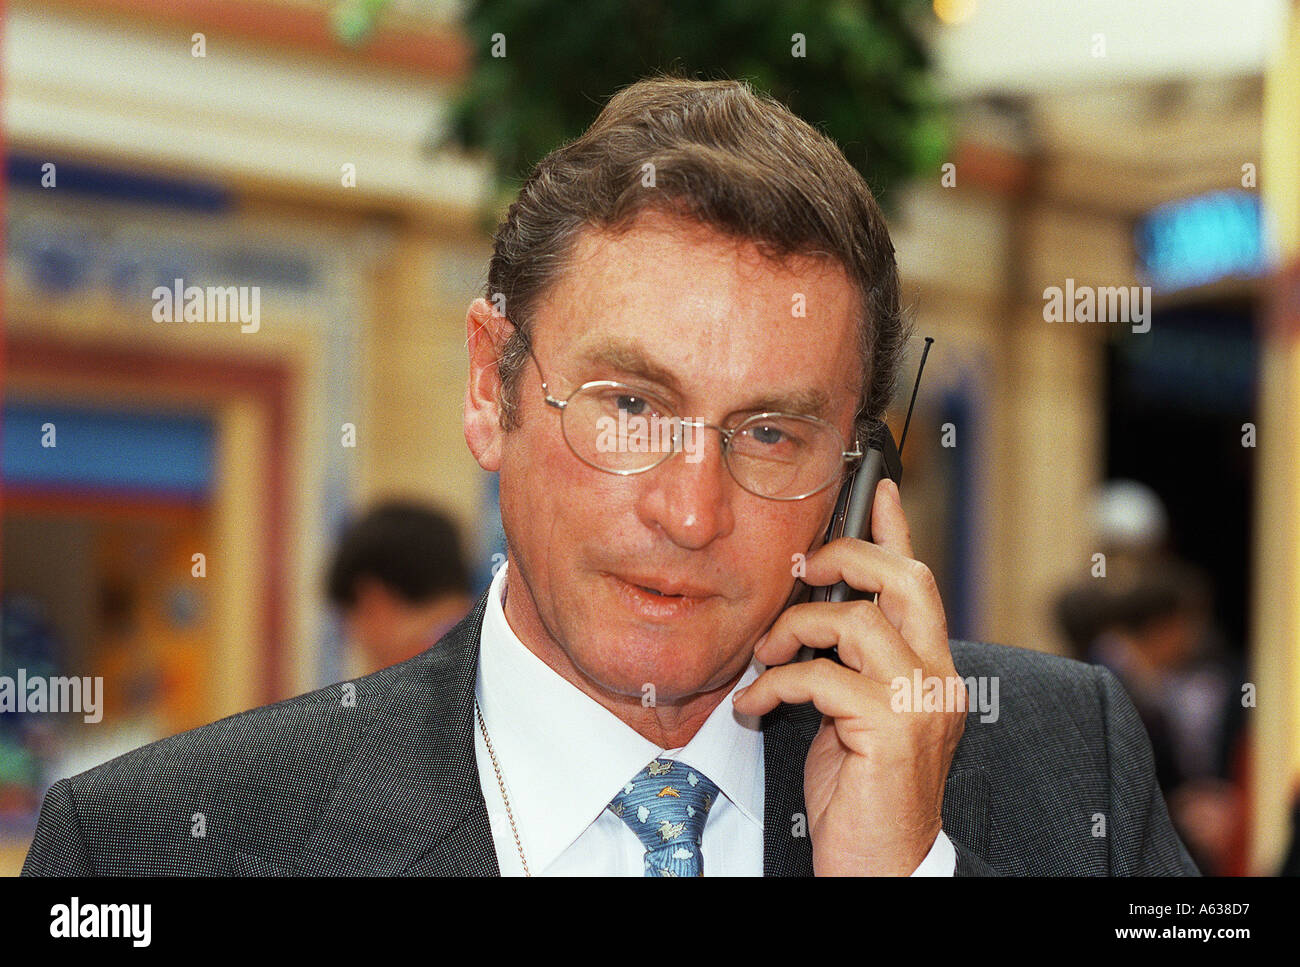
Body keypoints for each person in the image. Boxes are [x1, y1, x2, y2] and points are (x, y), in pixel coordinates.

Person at [22, 76, 1196, 876]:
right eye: (632, 407)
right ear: (490, 385)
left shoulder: (1054, 763)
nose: (690, 512)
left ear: (858, 469)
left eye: (771, 434)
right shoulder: (162, 845)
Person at [325, 501, 472, 673]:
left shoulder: (404, 680)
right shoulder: (495, 637)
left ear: (373, 601)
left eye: (349, 619)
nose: (356, 639)